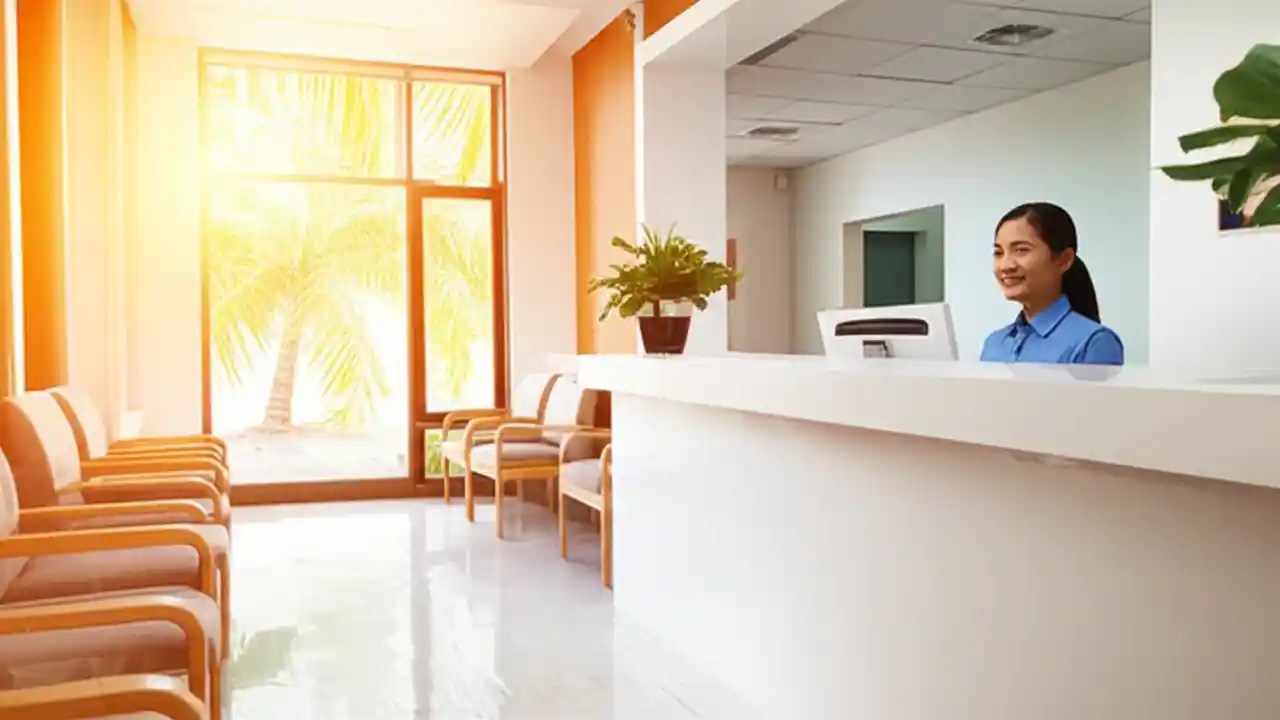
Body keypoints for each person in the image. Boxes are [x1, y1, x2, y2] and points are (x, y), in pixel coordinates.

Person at [980, 202, 1124, 365]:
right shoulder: (994, 344)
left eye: (1021, 250)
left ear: (1064, 260)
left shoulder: (1093, 343)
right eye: (998, 253)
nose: (1005, 265)